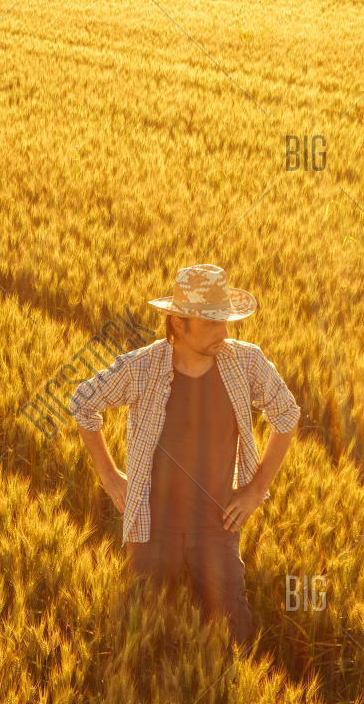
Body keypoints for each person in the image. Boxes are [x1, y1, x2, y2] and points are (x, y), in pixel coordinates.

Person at [68, 265, 299, 647]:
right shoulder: (142, 367)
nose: (224, 332)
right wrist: (109, 475)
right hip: (153, 525)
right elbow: (82, 403)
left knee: (235, 633)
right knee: (141, 633)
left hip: (217, 524)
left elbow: (287, 414)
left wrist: (256, 489)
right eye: (211, 324)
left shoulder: (246, 362)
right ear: (178, 323)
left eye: (225, 321)